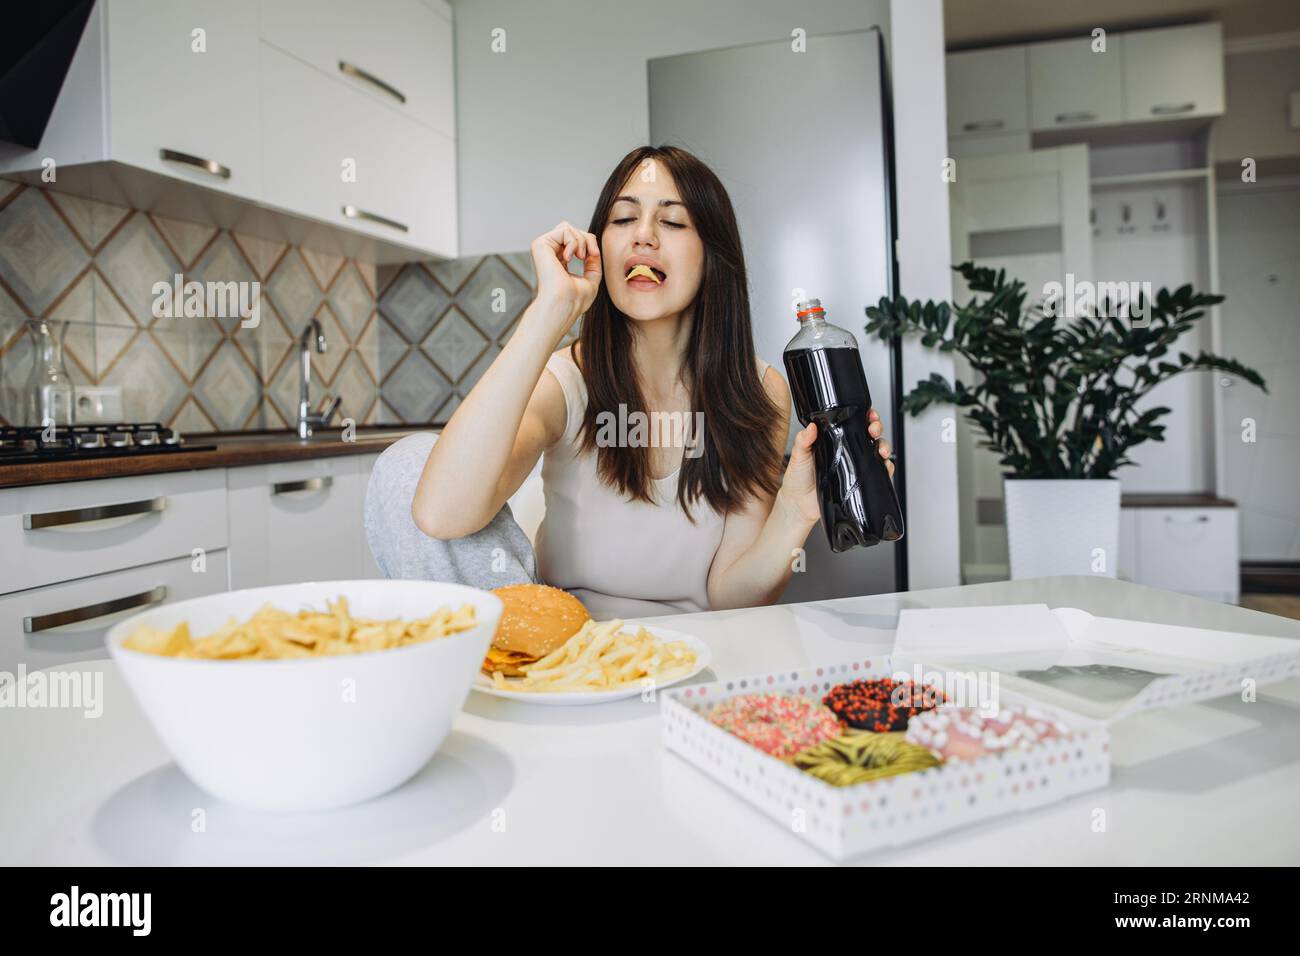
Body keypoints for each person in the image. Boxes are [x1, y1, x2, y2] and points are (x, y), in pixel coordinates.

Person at [404, 145, 892, 619]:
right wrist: (549, 311)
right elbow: (443, 516)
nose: (643, 235)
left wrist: (795, 510)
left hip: (698, 650)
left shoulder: (759, 390)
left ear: (713, 257)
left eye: (673, 221)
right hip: (573, 653)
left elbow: (732, 599)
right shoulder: (565, 382)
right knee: (400, 466)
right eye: (622, 219)